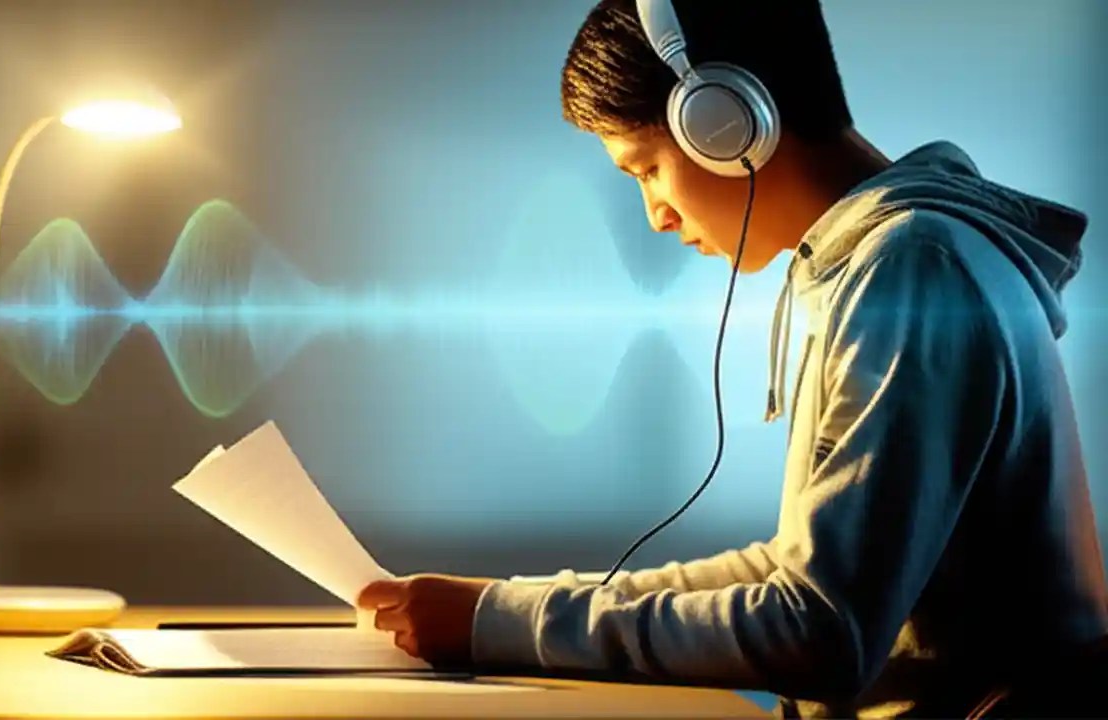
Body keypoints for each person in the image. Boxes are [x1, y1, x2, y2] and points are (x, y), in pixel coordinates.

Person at [358, 1, 1108, 716]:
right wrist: (505, 606)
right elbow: (797, 573)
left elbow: (820, 631)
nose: (654, 213)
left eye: (645, 168)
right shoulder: (882, 262)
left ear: (722, 120)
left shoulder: (911, 269)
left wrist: (503, 622)